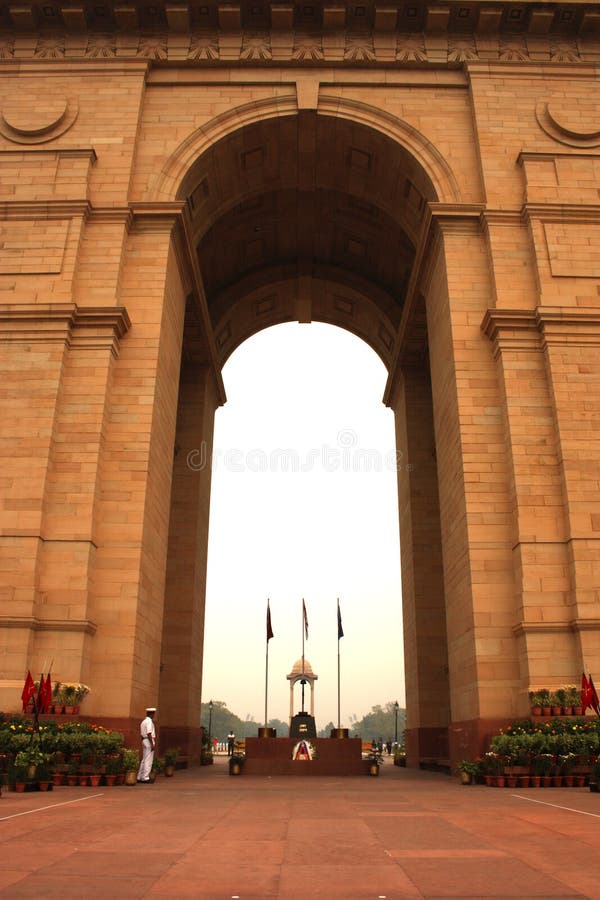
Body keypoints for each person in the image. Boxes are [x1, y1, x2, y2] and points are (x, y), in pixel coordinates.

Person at [137, 706, 157, 783]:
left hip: (144, 740)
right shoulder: (149, 722)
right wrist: (152, 743)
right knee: (148, 760)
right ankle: (145, 777)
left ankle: (139, 776)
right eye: (153, 714)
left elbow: (142, 734)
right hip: (148, 740)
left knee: (144, 759)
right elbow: (149, 733)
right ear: (151, 714)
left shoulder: (143, 722)